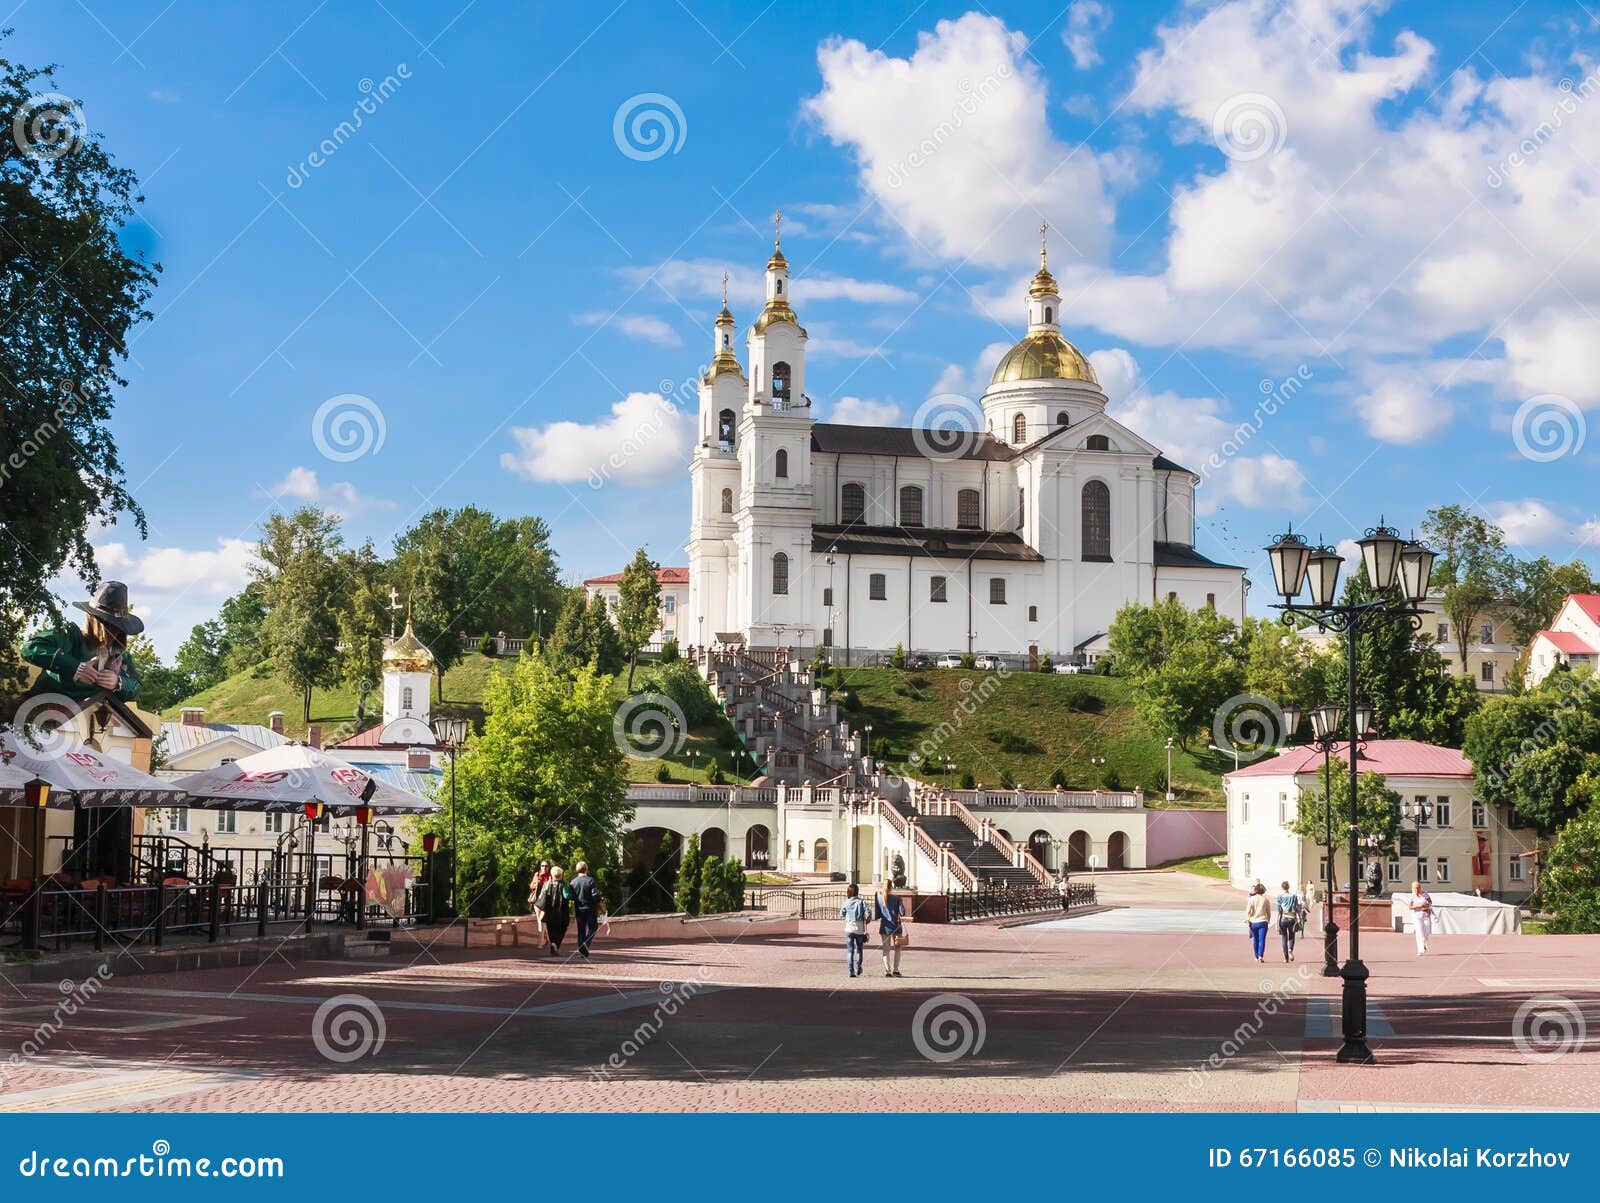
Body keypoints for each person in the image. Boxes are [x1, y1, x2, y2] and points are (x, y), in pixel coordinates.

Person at [19, 581, 143, 704]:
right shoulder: (69, 635)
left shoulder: (120, 655)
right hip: (44, 708)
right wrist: (74, 667)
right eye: (109, 626)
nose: (113, 632)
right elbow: (30, 647)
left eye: (118, 628)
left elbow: (137, 688)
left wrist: (119, 683)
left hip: (88, 717)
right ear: (93, 620)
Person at [536, 866, 572, 956]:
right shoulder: (563, 885)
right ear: (561, 875)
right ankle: (556, 944)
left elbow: (542, 896)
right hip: (562, 912)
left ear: (552, 874)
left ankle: (552, 944)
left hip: (549, 911)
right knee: (562, 929)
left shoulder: (547, 884)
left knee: (551, 929)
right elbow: (567, 896)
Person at [570, 861, 603, 958]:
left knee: (581, 930)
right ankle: (586, 943)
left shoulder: (573, 882)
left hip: (579, 909)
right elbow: (595, 895)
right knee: (593, 928)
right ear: (586, 869)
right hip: (590, 908)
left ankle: (581, 952)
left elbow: (571, 896)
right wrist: (600, 900)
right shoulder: (590, 880)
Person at [874, 878, 907, 977]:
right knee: (897, 949)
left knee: (885, 950)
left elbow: (877, 915)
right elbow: (903, 913)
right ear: (891, 887)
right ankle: (896, 970)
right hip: (896, 927)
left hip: (885, 927)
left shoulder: (879, 899)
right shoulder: (897, 898)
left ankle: (887, 971)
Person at [839, 883, 871, 977]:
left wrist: (847, 918)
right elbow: (868, 913)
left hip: (849, 928)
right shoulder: (861, 902)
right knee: (859, 950)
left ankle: (851, 971)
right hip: (859, 929)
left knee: (850, 950)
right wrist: (867, 919)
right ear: (857, 892)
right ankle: (858, 967)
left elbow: (841, 914)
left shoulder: (846, 902)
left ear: (848, 892)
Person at [1275, 880, 1303, 963]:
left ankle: (1286, 958)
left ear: (1282, 887)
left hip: (1283, 918)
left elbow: (1279, 910)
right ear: (1288, 887)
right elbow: (1297, 907)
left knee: (1284, 937)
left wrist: (1277, 923)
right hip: (1292, 918)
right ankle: (1290, 949)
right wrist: (1299, 917)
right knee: (1291, 936)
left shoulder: (1280, 896)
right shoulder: (1293, 896)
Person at [1244, 882, 1272, 963]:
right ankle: (1260, 956)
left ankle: (1256, 956)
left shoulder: (1251, 899)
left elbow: (1248, 911)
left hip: (1253, 922)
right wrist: (1268, 919)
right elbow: (1268, 912)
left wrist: (1248, 919)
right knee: (1262, 939)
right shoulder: (1266, 900)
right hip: (1263, 921)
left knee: (1255, 939)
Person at [527, 860, 553, 946]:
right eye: (542, 866)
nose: (544, 868)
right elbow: (531, 886)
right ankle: (548, 939)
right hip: (537, 901)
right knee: (540, 921)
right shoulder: (537, 874)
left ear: (549, 867)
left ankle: (540, 943)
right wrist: (537, 883)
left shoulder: (551, 876)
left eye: (546, 866)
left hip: (546, 901)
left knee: (541, 921)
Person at [1407, 880, 1434, 955]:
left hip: (1425, 915)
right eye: (1415, 888)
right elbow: (1409, 906)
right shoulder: (1411, 896)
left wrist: (1427, 905)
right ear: (1412, 888)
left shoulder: (1425, 894)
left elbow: (1430, 902)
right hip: (1416, 916)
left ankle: (1424, 943)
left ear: (1420, 888)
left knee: (1427, 932)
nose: (1416, 890)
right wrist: (1418, 906)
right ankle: (1420, 950)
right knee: (1419, 932)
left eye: (1418, 888)